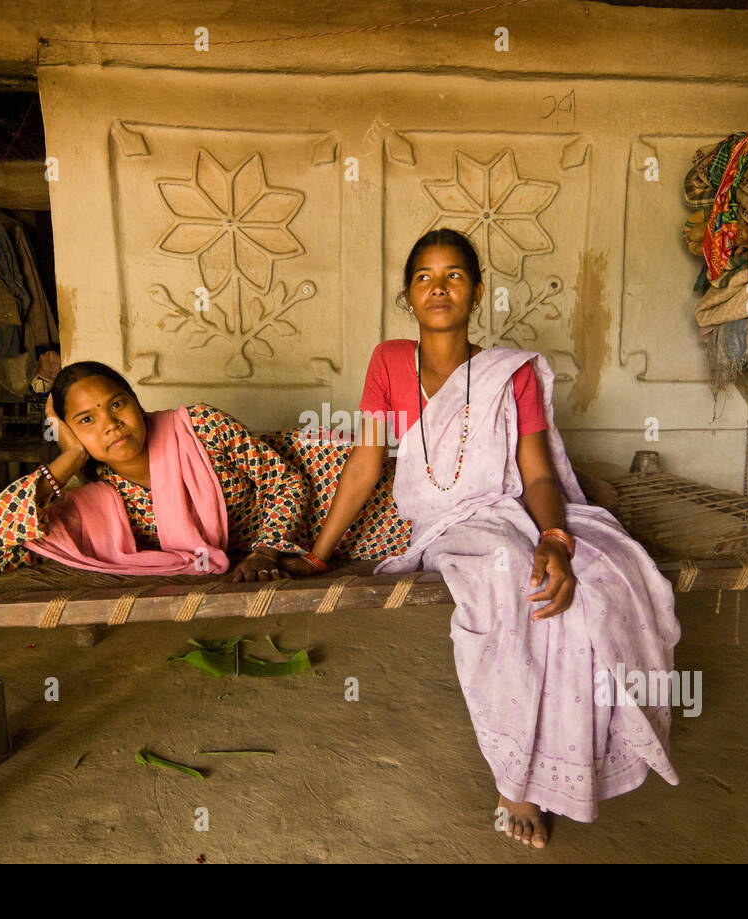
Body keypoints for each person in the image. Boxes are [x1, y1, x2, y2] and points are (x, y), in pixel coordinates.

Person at [291, 228, 681, 848]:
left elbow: (535, 471)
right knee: (508, 573)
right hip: (443, 523)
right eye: (424, 276)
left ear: (475, 292)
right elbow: (366, 464)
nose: (438, 287)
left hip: (507, 509)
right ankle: (515, 780)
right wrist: (316, 555)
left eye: (453, 276)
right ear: (408, 294)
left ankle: (567, 763)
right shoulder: (389, 361)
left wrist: (556, 535)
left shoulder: (511, 372)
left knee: (598, 583)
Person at [0, 361, 406, 580]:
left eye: (117, 405)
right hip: (309, 542)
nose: (110, 424)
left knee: (440, 516)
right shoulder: (106, 503)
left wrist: (266, 552)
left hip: (333, 485)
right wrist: (69, 458)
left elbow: (284, 479)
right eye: (87, 421)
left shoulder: (199, 426)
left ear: (136, 402)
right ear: (71, 431)